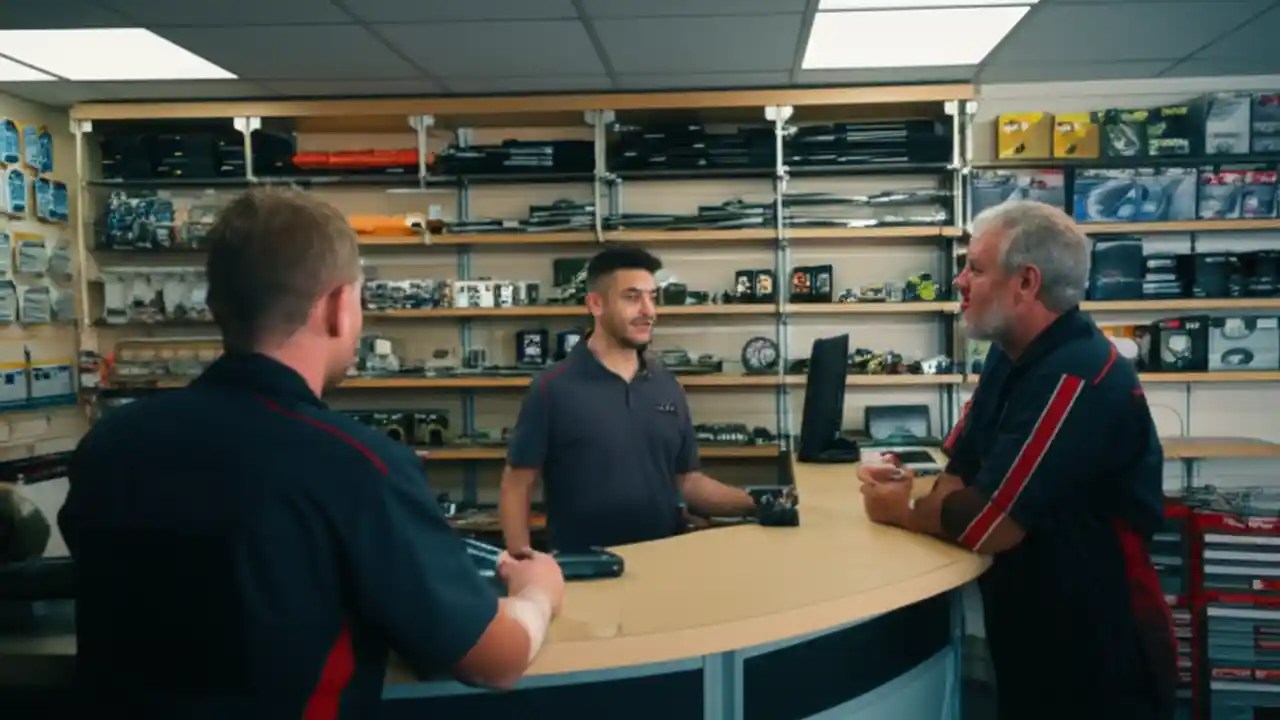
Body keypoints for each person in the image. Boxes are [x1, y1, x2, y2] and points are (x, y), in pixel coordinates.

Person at [58, 189, 565, 716]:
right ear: (339, 307)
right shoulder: (358, 466)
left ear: (216, 308)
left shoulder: (111, 444)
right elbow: (493, 659)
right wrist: (538, 592)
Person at [858, 200, 1176, 719]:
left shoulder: (1074, 375)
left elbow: (988, 524)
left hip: (1095, 653)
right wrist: (939, 505)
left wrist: (901, 512)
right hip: (1034, 628)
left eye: (975, 268)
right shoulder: (1011, 357)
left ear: (1026, 283)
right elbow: (957, 474)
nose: (958, 281)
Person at [499, 247, 759, 554]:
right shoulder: (552, 388)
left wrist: (758, 503)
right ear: (596, 304)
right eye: (632, 297)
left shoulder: (667, 386)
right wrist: (520, 560)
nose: (648, 311)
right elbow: (517, 484)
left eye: (652, 297)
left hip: (666, 560)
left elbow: (686, 482)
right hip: (585, 568)